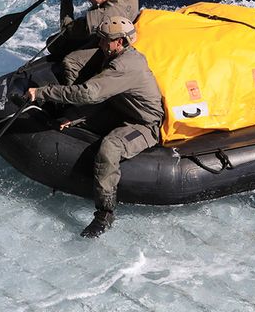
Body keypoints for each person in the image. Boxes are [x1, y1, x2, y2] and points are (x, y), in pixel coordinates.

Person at [21, 16, 164, 238]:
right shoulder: (114, 56)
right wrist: (74, 117)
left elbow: (89, 93)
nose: (100, 43)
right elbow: (104, 97)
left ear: (120, 42)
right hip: (119, 110)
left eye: (105, 39)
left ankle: (105, 212)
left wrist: (43, 92)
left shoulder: (125, 65)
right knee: (65, 121)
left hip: (143, 123)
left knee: (110, 147)